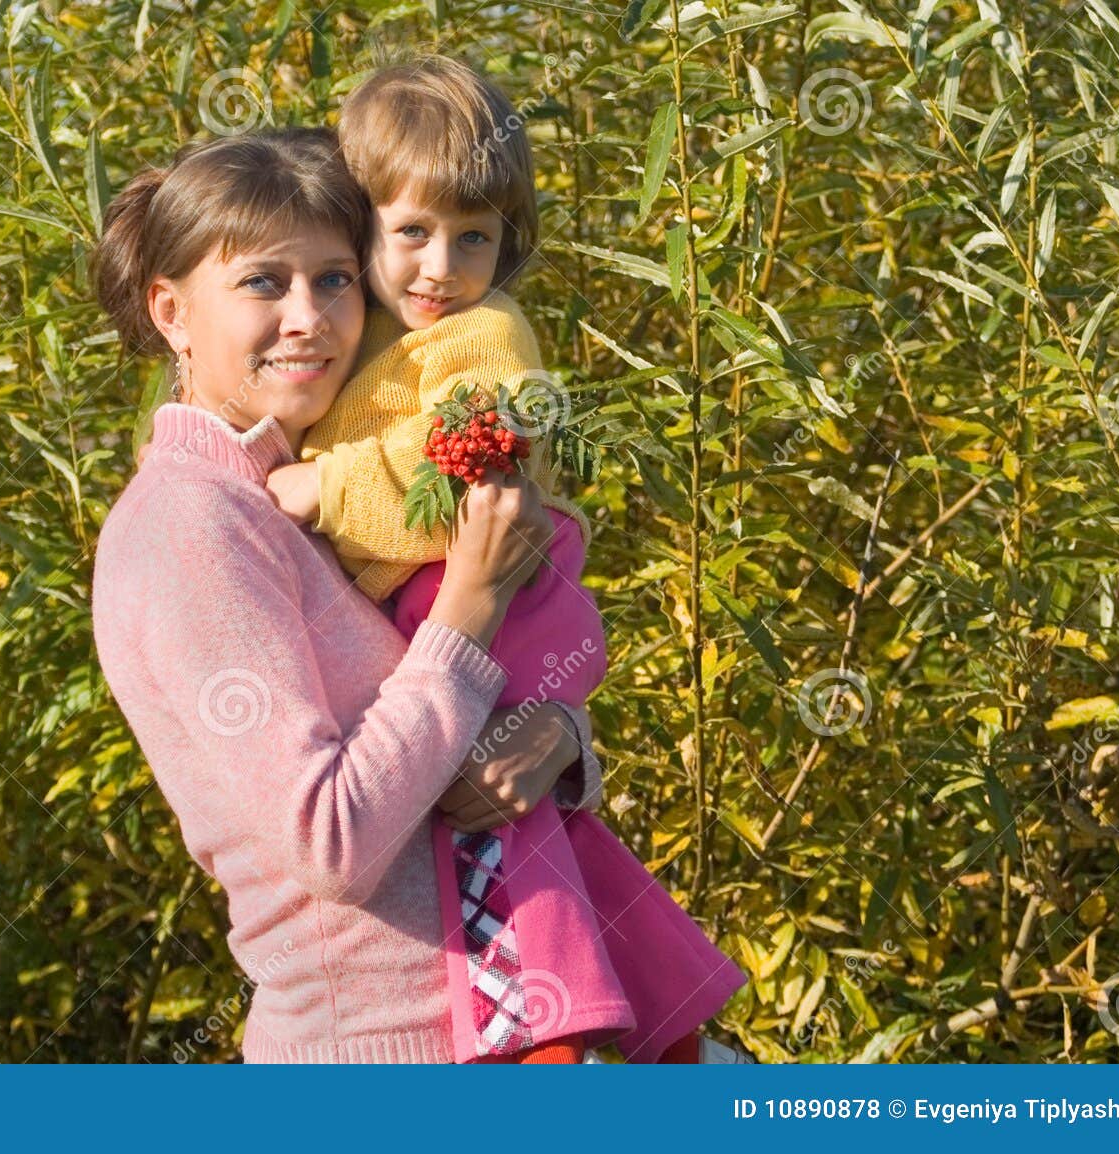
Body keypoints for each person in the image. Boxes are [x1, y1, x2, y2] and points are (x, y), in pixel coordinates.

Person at [264, 56, 746, 1064]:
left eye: (472, 237)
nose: (441, 264)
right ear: (361, 225)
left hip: (478, 596)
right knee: (550, 841)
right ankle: (672, 1033)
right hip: (443, 609)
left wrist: (328, 489)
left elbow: (468, 463)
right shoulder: (365, 334)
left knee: (496, 831)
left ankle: (545, 1039)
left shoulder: (481, 336)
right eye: (412, 233)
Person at [88, 126, 604, 1062]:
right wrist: (472, 608)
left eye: (334, 280)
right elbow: (329, 840)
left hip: (496, 1030)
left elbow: (422, 745)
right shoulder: (190, 526)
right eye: (262, 283)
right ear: (171, 311)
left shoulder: (313, 496)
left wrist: (559, 740)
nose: (310, 319)